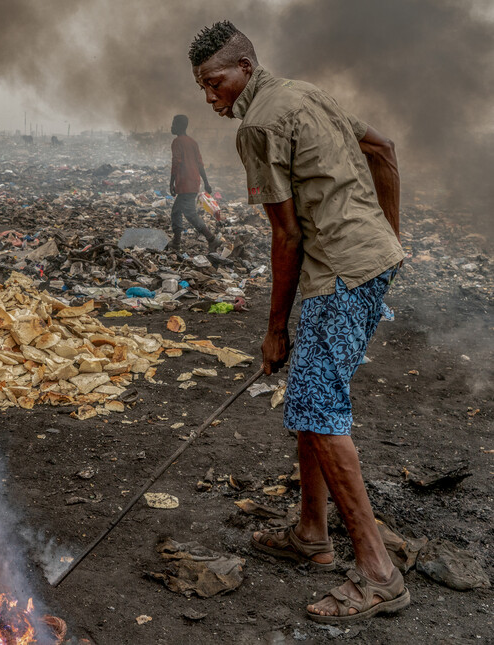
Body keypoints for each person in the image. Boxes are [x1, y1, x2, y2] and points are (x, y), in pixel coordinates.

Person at [189, 21, 407, 624]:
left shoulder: (259, 124)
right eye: (203, 89)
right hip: (368, 265)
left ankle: (377, 574)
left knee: (319, 408)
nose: (211, 99)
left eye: (216, 82)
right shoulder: (307, 92)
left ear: (246, 66)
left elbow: (285, 236)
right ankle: (312, 532)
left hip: (335, 277)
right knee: (313, 399)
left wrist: (275, 328)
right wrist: (389, 241)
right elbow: (384, 151)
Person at [168, 114, 217, 251]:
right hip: (194, 182)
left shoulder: (177, 142)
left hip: (185, 183)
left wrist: (171, 183)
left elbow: (176, 163)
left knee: (190, 214)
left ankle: (211, 239)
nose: (171, 126)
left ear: (179, 126)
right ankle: (176, 242)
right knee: (176, 211)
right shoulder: (192, 142)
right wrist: (206, 183)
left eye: (173, 124)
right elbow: (200, 164)